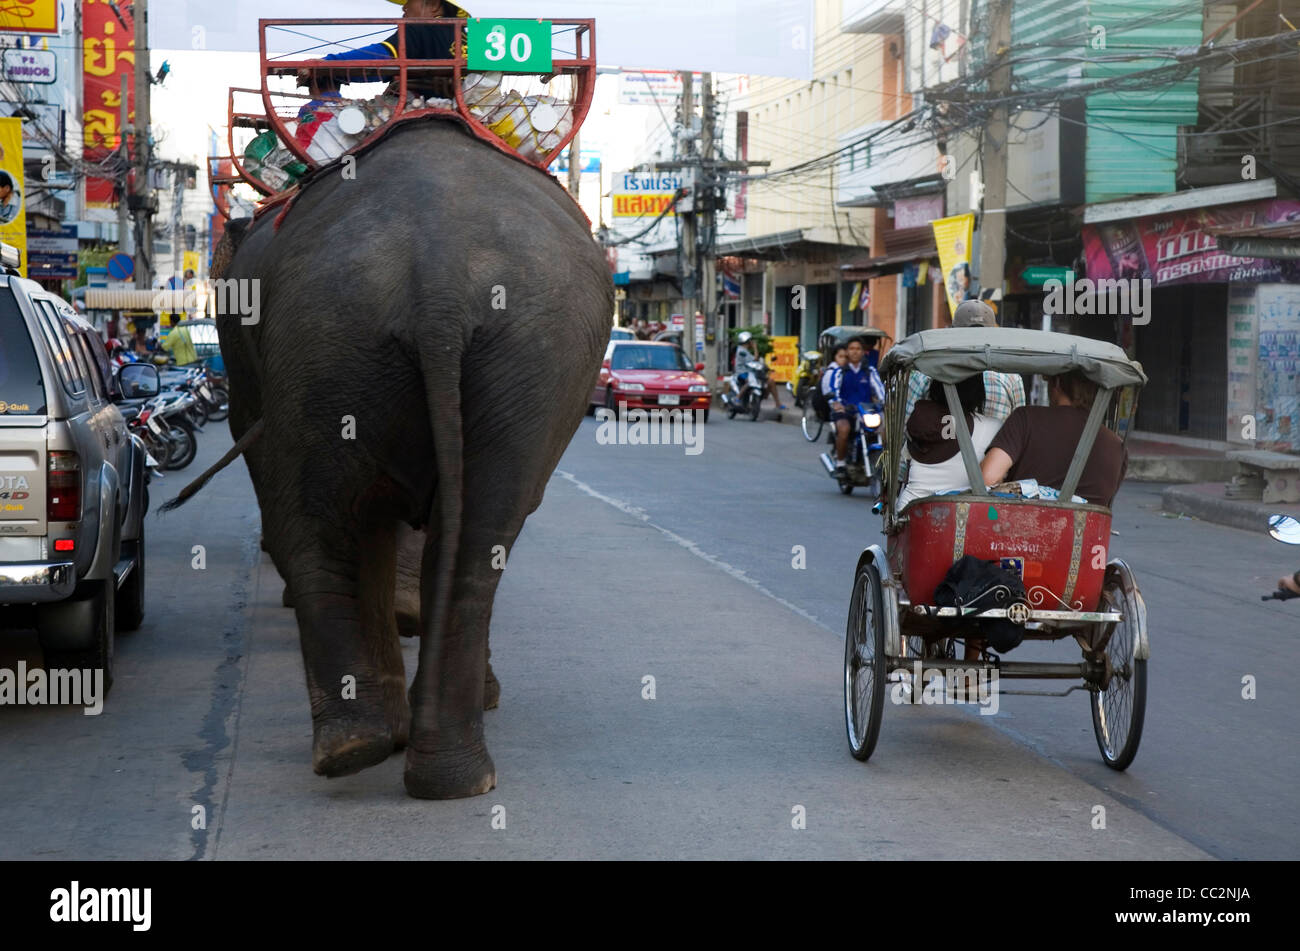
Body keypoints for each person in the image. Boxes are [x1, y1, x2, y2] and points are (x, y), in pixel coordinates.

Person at [980, 369, 1128, 507]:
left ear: (1056, 383)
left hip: (1023, 526)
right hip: (1084, 532)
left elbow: (988, 478)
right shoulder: (1117, 445)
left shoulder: (1026, 418)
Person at [905, 299, 1025, 420]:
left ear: (953, 332)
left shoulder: (925, 373)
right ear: (993, 335)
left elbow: (906, 426)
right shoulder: (1011, 379)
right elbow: (1019, 430)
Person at [897, 375, 1000, 511]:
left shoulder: (922, 420)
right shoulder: (992, 427)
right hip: (959, 516)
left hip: (912, 510)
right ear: (978, 392)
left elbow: (904, 463)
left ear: (935, 388)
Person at [831, 337, 886, 471]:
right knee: (844, 429)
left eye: (858, 349)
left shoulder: (870, 371)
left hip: (866, 412)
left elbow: (880, 391)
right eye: (851, 349)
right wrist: (838, 404)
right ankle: (840, 462)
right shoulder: (840, 372)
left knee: (886, 430)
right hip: (846, 411)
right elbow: (835, 392)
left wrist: (886, 402)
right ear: (847, 352)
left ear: (863, 352)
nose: (855, 352)